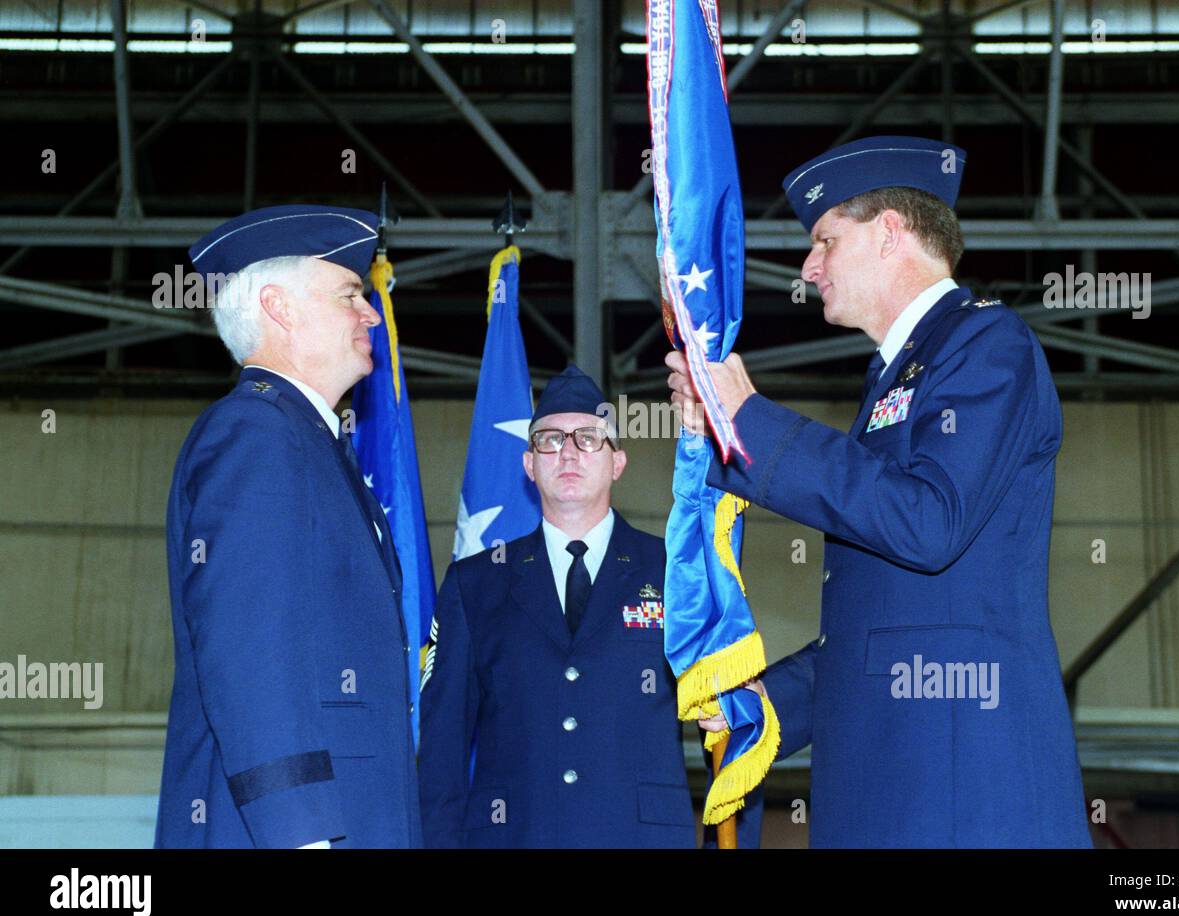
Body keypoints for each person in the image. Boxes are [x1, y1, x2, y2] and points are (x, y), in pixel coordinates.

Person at [667, 136, 1092, 848]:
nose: (809, 267)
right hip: (899, 783)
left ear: (890, 232)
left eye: (825, 241)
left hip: (961, 791)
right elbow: (884, 619)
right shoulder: (895, 381)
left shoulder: (987, 342)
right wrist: (772, 702)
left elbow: (928, 524)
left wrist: (752, 426)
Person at [156, 205, 420, 848]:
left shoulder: (311, 444)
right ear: (280, 307)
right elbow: (249, 651)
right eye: (351, 294)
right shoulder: (257, 434)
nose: (371, 313)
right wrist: (298, 835)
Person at [418, 365, 760, 848]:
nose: (569, 452)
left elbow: (729, 722)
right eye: (551, 441)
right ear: (529, 464)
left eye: (588, 438)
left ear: (617, 462)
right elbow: (442, 750)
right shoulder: (475, 583)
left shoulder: (677, 571)